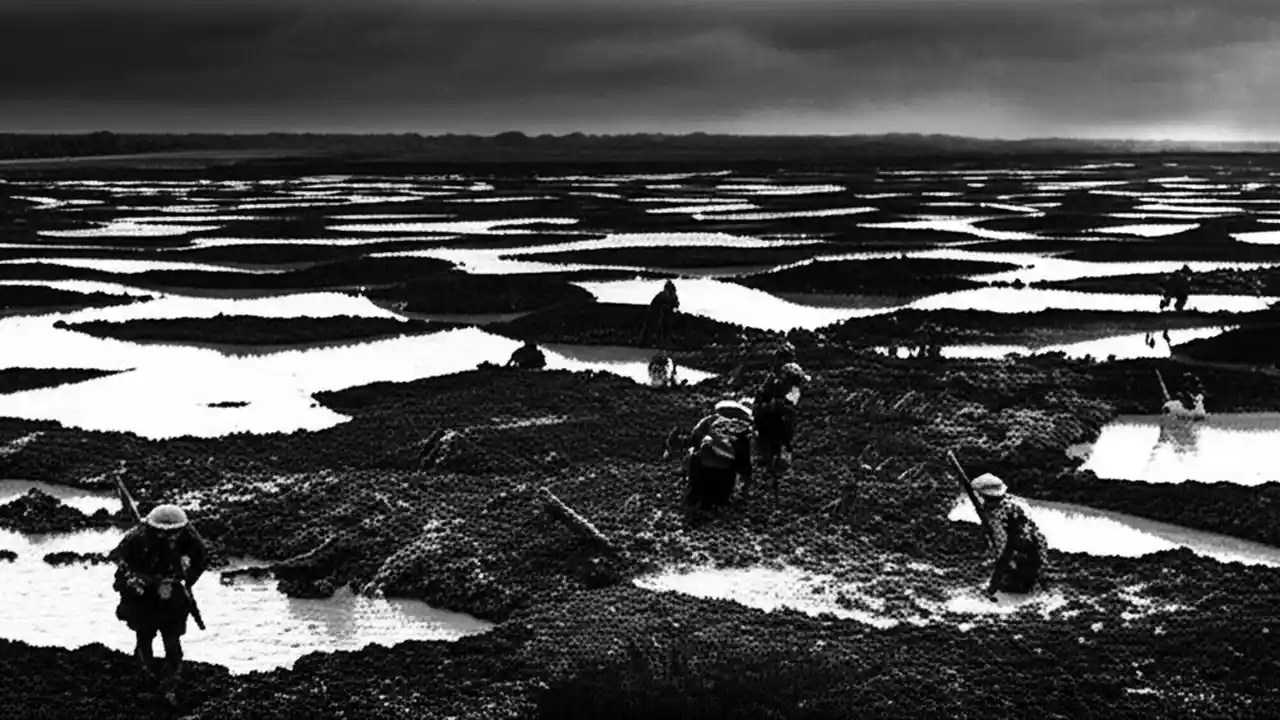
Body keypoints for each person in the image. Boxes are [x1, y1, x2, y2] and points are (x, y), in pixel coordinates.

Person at [108, 504, 209, 702]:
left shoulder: (189, 537)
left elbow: (201, 559)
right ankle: (146, 675)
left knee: (172, 638)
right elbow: (118, 559)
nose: (170, 537)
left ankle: (172, 682)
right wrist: (139, 580)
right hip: (142, 595)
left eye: (175, 533)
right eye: (164, 533)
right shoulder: (137, 538)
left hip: (173, 596)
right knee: (144, 636)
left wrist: (185, 578)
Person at [970, 473, 1050, 598]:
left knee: (1011, 571)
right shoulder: (1013, 503)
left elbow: (1004, 552)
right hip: (1031, 544)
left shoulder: (1002, 514)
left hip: (1023, 548)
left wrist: (992, 589)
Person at [677, 399, 754, 516]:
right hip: (723, 471)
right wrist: (746, 478)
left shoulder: (710, 420)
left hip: (701, 464)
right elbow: (743, 457)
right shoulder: (742, 428)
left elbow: (694, 437)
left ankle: (692, 505)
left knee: (696, 490)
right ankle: (713, 505)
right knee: (719, 499)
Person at [752, 342, 811, 474]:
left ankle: (774, 459)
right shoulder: (774, 378)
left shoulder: (790, 375)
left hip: (778, 420)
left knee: (778, 437)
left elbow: (792, 399)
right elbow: (761, 399)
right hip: (770, 418)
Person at [639, 280, 680, 347]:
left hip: (666, 315)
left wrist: (672, 309)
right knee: (652, 328)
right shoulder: (661, 296)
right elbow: (655, 307)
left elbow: (675, 305)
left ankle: (663, 342)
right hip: (657, 314)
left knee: (665, 329)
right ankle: (647, 342)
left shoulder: (673, 296)